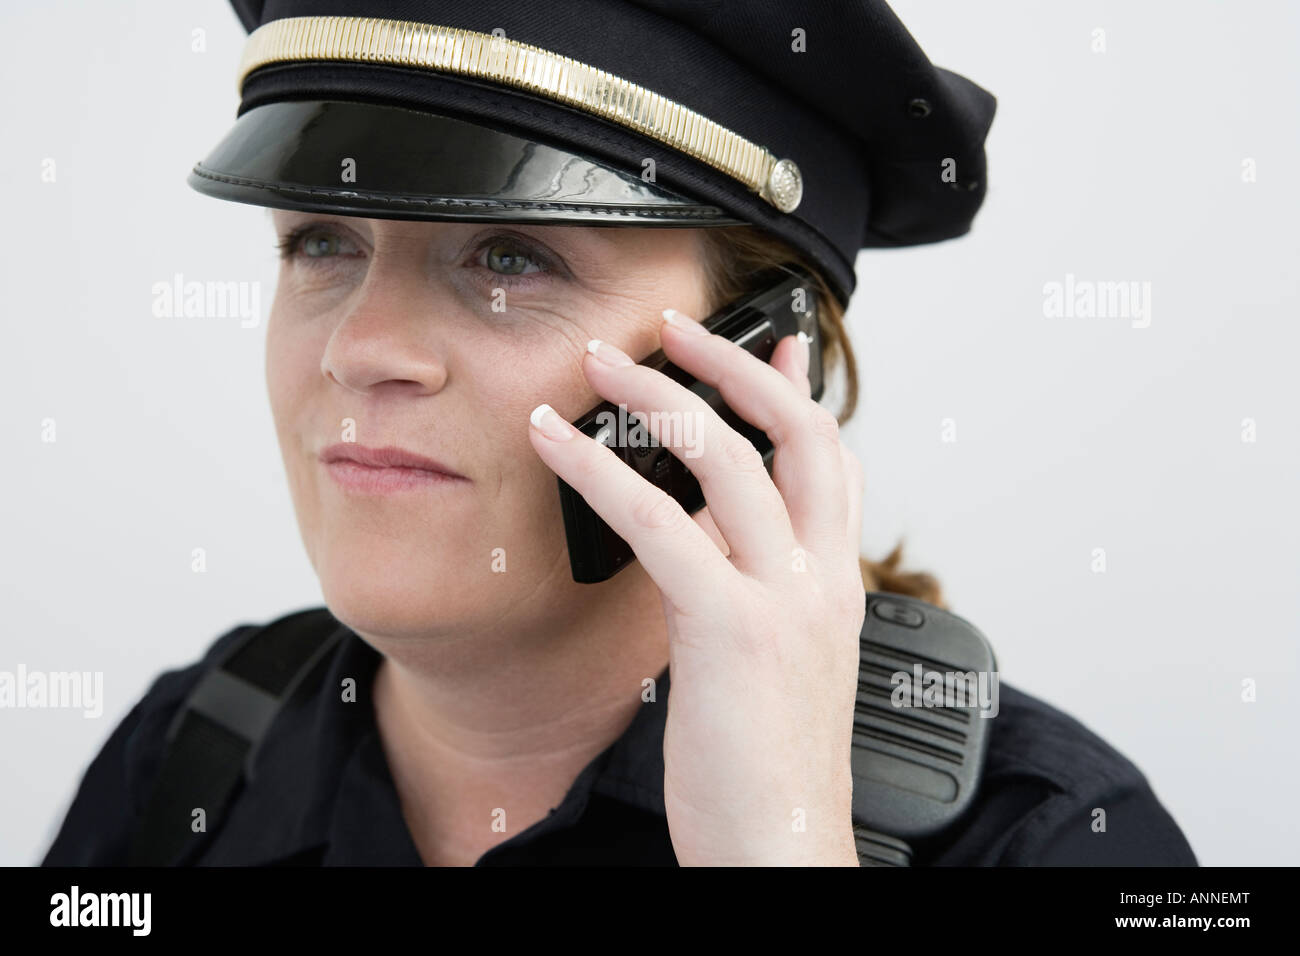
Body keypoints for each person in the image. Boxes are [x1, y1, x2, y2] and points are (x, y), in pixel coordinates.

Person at [41, 0, 1196, 866]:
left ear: (757, 363)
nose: (360, 347)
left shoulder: (1052, 840)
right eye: (320, 243)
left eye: (510, 256)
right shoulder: (189, 749)